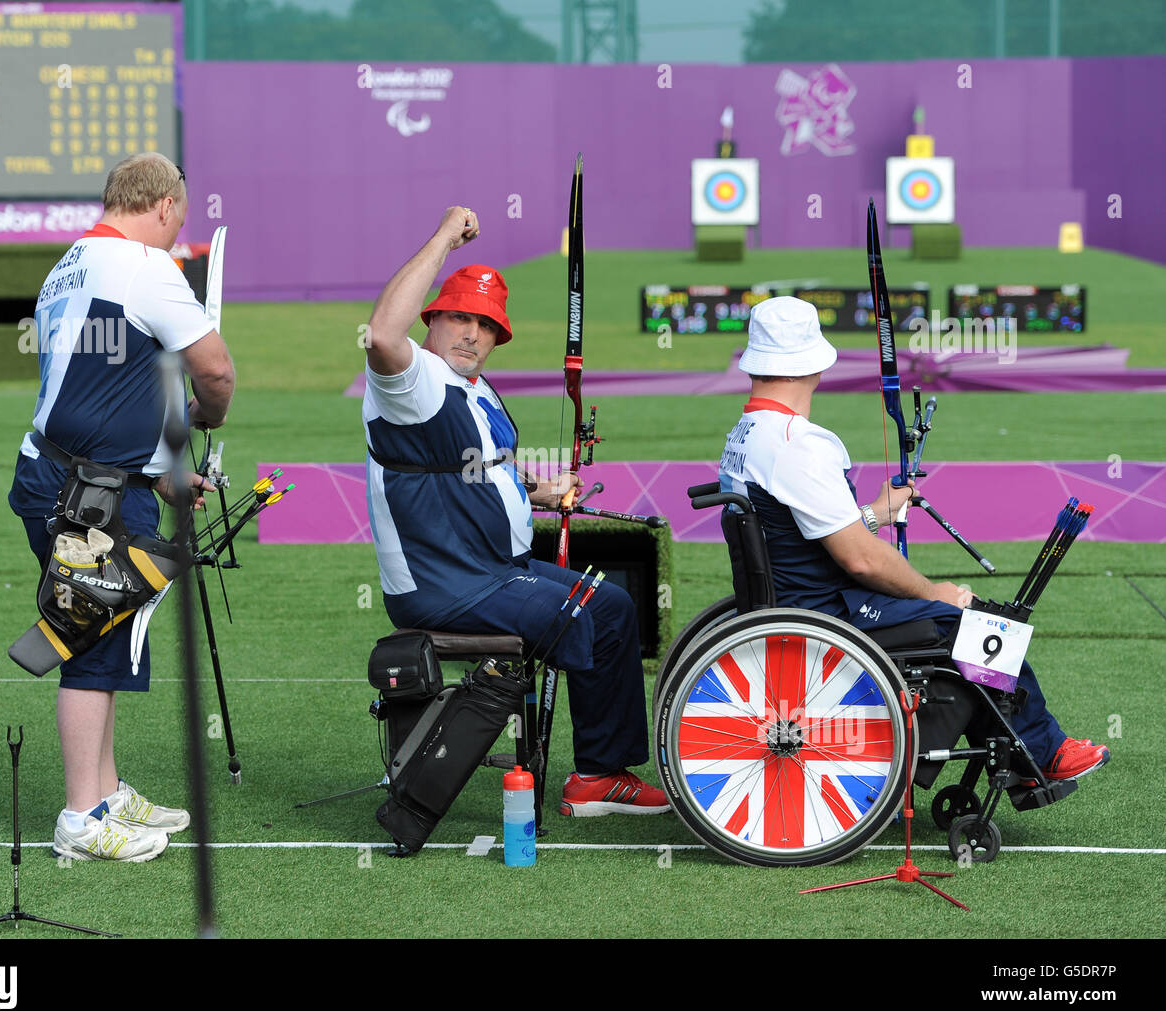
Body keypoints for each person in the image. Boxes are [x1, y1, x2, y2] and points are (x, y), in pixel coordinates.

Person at [716, 295, 1109, 781]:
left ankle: (1023, 760)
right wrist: (935, 594)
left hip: (793, 600)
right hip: (826, 612)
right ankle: (1043, 754)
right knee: (977, 626)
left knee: (963, 619)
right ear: (816, 366)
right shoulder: (797, 444)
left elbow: (796, 532)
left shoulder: (745, 433)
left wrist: (876, 513)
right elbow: (862, 561)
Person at [361, 205, 668, 816]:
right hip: (446, 584)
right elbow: (381, 337)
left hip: (489, 569)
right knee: (582, 613)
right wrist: (445, 236)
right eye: (458, 317)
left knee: (612, 605)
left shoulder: (472, 387)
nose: (472, 333)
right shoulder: (412, 381)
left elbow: (474, 465)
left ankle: (599, 776)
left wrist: (536, 492)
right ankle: (594, 770)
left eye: (485, 324)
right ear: (433, 319)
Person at [8, 152, 236, 861]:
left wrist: (162, 478)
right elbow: (217, 370)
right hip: (85, 492)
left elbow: (103, 392)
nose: (177, 233)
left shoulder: (68, 265)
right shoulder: (144, 266)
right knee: (91, 634)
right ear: (164, 206)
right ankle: (81, 818)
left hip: (81, 480)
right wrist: (208, 415)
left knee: (101, 626)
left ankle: (103, 793)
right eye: (180, 218)